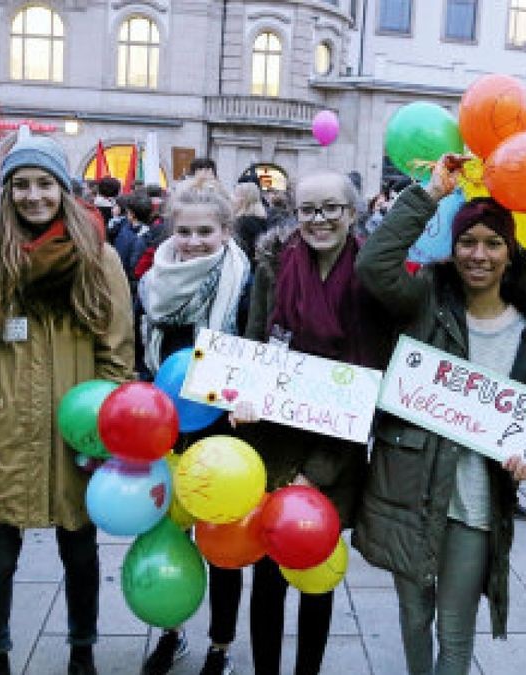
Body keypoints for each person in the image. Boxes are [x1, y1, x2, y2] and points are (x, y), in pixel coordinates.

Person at [353, 157, 526, 674]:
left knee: (455, 632)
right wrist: (429, 195)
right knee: (414, 616)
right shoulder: (424, 299)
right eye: (467, 242)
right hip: (412, 488)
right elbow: (373, 266)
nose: (479, 255)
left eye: (493, 243)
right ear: (452, 247)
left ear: (511, 251)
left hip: (478, 502)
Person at [0, 130, 134, 675]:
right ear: (6, 191)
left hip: (74, 426)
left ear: (63, 188)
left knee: (80, 552)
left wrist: (104, 426)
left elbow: (116, 349)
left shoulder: (97, 256)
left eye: (45, 183)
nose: (33, 196)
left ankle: (82, 649)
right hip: (4, 425)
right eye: (21, 184)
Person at [234, 169, 391, 675]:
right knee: (267, 576)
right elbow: (255, 345)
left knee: (315, 573)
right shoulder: (273, 265)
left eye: (331, 208)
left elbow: (372, 382)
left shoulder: (372, 276)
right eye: (308, 209)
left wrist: (318, 473)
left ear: (352, 212)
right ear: (294, 213)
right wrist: (243, 397)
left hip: (336, 451)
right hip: (274, 447)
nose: (319, 219)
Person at [136, 175, 250, 675]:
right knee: (169, 537)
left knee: (222, 545)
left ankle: (220, 647)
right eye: (184, 231)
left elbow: (255, 349)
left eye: (206, 231)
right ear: (171, 231)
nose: (194, 241)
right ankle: (172, 631)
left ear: (225, 230)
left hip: (222, 430)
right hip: (164, 429)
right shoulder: (152, 279)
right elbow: (141, 350)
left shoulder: (243, 280)